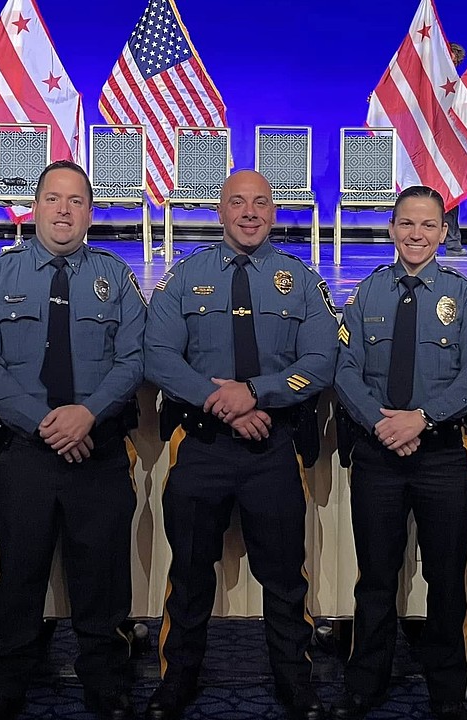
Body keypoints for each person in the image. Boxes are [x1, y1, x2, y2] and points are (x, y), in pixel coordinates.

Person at [143, 170, 338, 720]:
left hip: (273, 447)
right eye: (237, 202)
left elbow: (321, 360)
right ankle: (177, 680)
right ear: (219, 210)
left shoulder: (302, 281)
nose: (249, 213)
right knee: (188, 574)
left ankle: (295, 681)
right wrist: (221, 402)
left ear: (273, 212)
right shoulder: (185, 277)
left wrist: (255, 393)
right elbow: (158, 356)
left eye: (260, 203)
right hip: (202, 445)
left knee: (284, 577)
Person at [0, 160, 147, 720]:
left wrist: (86, 415)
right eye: (53, 199)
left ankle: (105, 679)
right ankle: (6, 678)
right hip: (25, 451)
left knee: (102, 575)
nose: (64, 210)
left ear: (89, 213)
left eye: (76, 201)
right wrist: (49, 423)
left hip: (98, 450)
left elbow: (133, 358)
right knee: (20, 572)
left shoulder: (116, 279)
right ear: (35, 207)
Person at [330, 186, 467, 720]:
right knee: (376, 577)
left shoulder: (464, 297)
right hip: (378, 454)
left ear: (443, 232)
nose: (416, 234)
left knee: (445, 578)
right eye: (406, 223)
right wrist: (382, 423)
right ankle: (365, 681)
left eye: (427, 225)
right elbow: (344, 368)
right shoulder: (366, 294)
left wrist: (423, 418)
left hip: (441, 455)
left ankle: (447, 688)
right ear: (392, 229)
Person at [444, 42, 467, 257]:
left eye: (452, 61)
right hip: (427, 149)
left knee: (451, 195)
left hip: (451, 149)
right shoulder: (424, 84)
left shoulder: (460, 88)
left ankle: (452, 243)